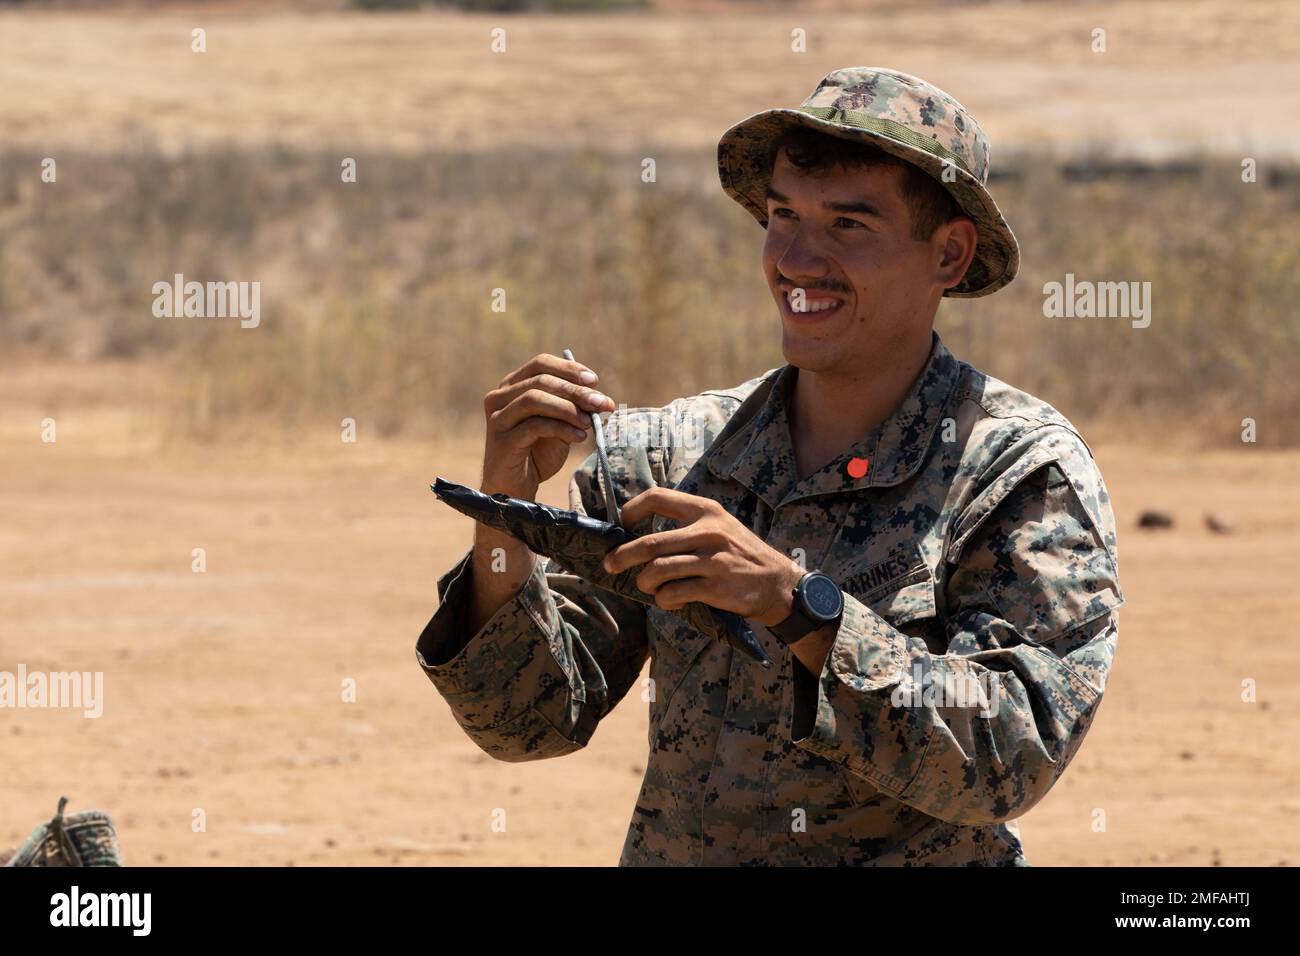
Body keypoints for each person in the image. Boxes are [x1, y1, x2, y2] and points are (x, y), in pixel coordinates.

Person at [415, 67, 1124, 866]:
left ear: (950, 254)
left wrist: (800, 607)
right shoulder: (669, 458)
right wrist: (503, 509)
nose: (796, 259)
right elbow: (527, 721)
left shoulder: (1017, 471)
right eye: (782, 216)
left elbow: (1009, 755)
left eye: (848, 225)